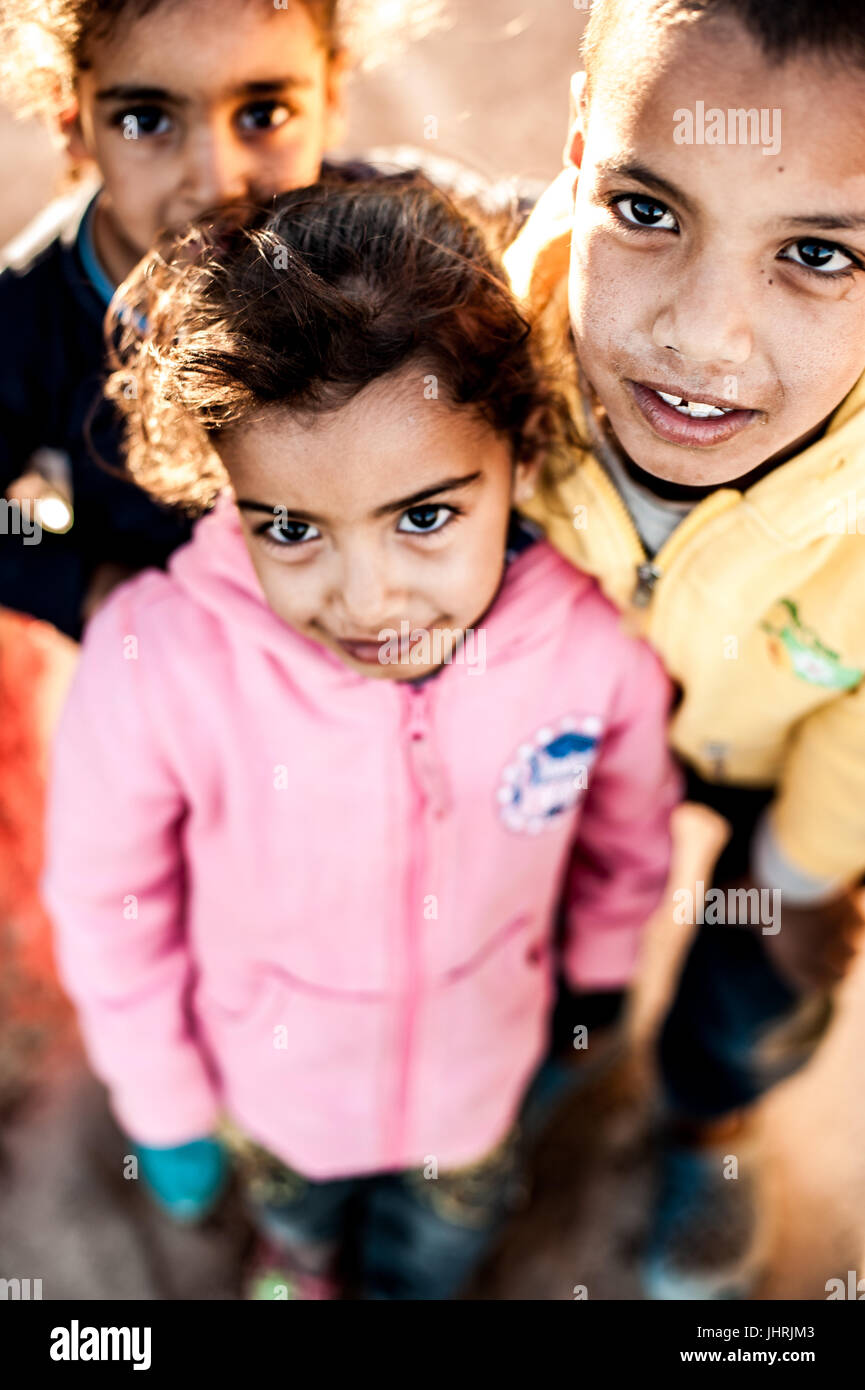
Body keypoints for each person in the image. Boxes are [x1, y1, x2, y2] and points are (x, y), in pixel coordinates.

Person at [41, 173, 680, 1299]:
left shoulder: (590, 647)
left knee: (430, 1258)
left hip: (480, 1087)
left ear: (520, 457)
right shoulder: (159, 664)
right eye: (291, 527)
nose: (369, 595)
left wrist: (598, 974)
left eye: (424, 516)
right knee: (296, 1230)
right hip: (272, 1094)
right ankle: (298, 1261)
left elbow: (629, 828)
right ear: (224, 489)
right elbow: (108, 902)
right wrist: (167, 1109)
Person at [504, 0, 865, 1299]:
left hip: (793, 746)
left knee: (754, 971)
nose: (702, 341)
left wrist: (807, 860)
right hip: (569, 746)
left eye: (819, 254)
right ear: (576, 142)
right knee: (527, 933)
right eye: (646, 211)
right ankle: (545, 1055)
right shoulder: (473, 359)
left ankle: (708, 1126)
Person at [0, 0, 439, 635]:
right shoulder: (25, 319)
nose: (215, 181)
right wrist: (93, 586)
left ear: (331, 94)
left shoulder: (407, 235)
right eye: (145, 119)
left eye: (264, 114)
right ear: (73, 123)